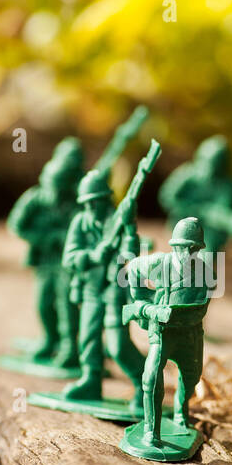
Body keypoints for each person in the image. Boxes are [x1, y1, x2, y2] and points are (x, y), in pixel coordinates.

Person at [123, 216, 216, 451]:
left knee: (191, 376)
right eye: (186, 247)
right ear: (176, 246)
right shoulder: (159, 263)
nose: (191, 252)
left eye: (195, 248)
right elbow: (132, 268)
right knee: (151, 378)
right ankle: (150, 432)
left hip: (190, 334)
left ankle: (181, 415)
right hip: (162, 332)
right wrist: (141, 301)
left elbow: (201, 305)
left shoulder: (204, 271)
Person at [61, 169, 145, 403]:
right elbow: (68, 258)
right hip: (90, 289)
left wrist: (129, 229)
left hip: (115, 290)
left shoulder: (117, 220)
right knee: (88, 338)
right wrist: (93, 256)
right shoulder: (80, 222)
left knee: (118, 347)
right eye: (87, 203)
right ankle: (91, 380)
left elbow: (131, 254)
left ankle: (143, 384)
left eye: (95, 202)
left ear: (105, 199)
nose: (91, 208)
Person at [5, 137, 84, 367]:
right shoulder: (35, 198)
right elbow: (16, 225)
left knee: (67, 305)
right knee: (43, 303)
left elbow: (87, 226)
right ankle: (49, 340)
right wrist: (44, 239)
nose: (55, 193)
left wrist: (67, 237)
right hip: (43, 261)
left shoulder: (76, 200)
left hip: (67, 262)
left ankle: (70, 346)